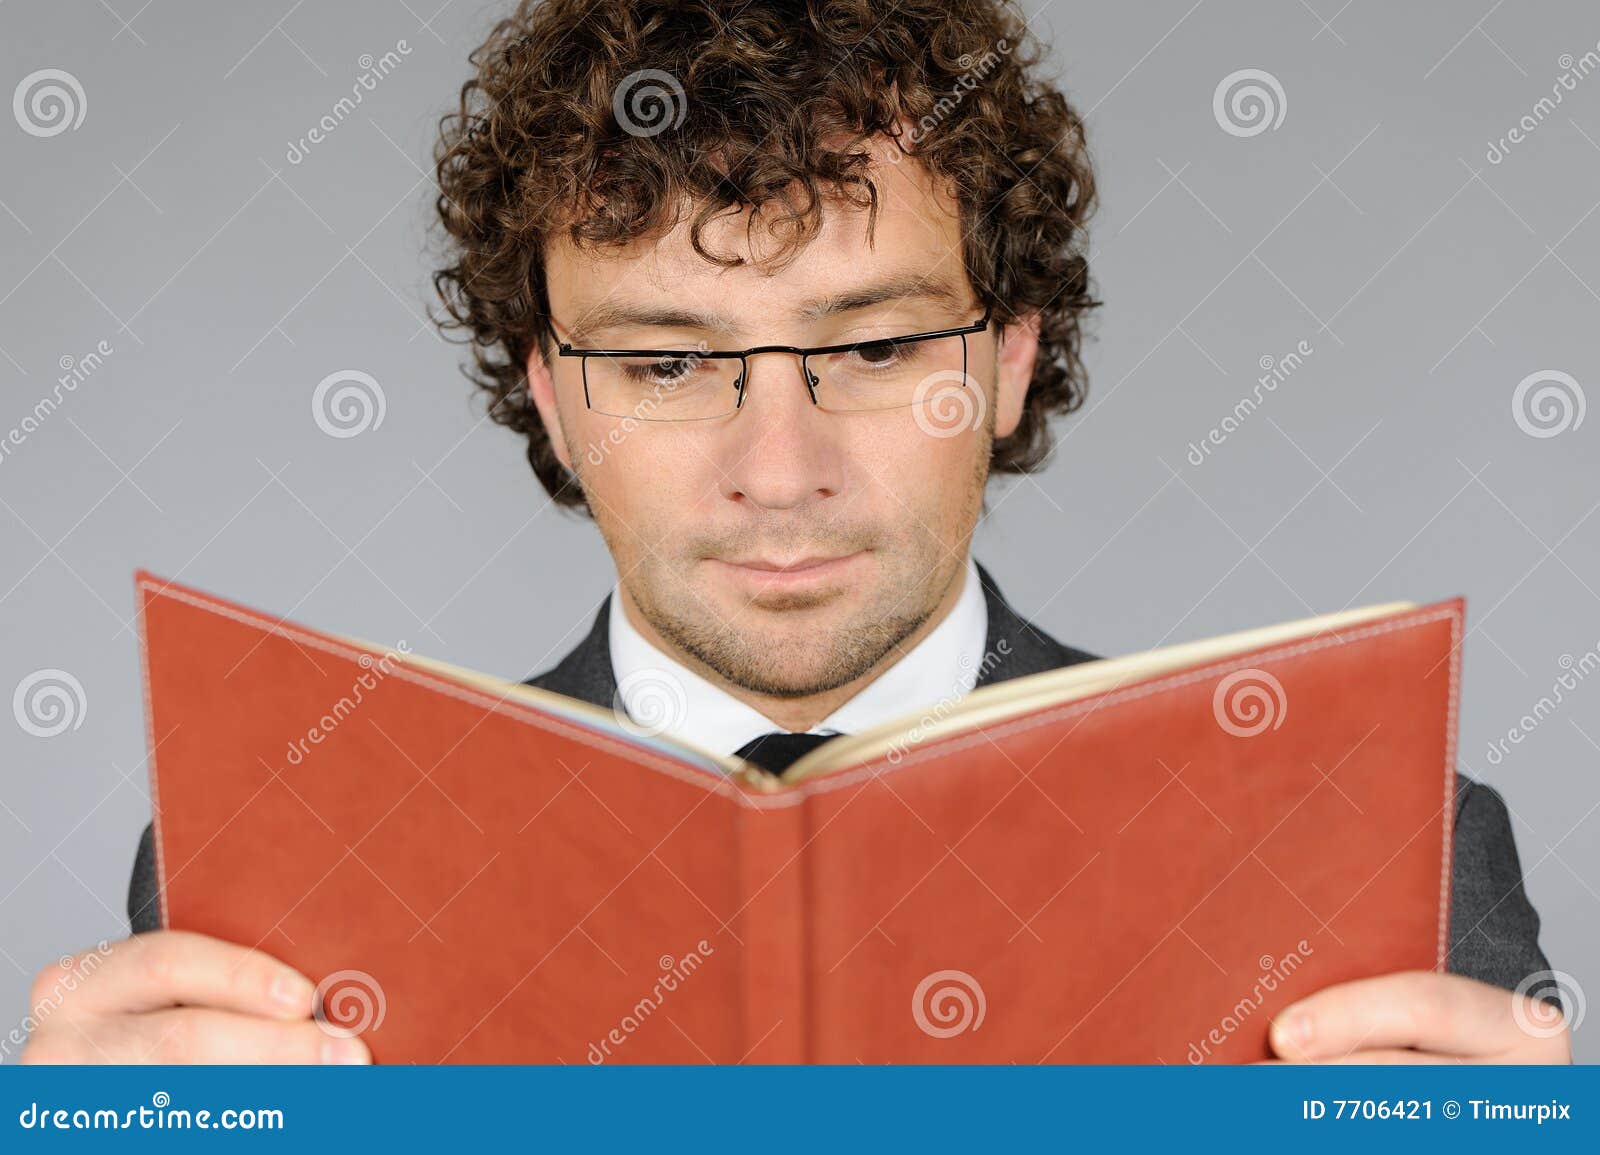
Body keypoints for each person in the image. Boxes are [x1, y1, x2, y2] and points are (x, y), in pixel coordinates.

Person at [22, 0, 1568, 1064]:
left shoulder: (1385, 855)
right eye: (667, 362)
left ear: (1010, 357)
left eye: (880, 349)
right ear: (553, 398)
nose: (779, 468)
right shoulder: (285, 876)